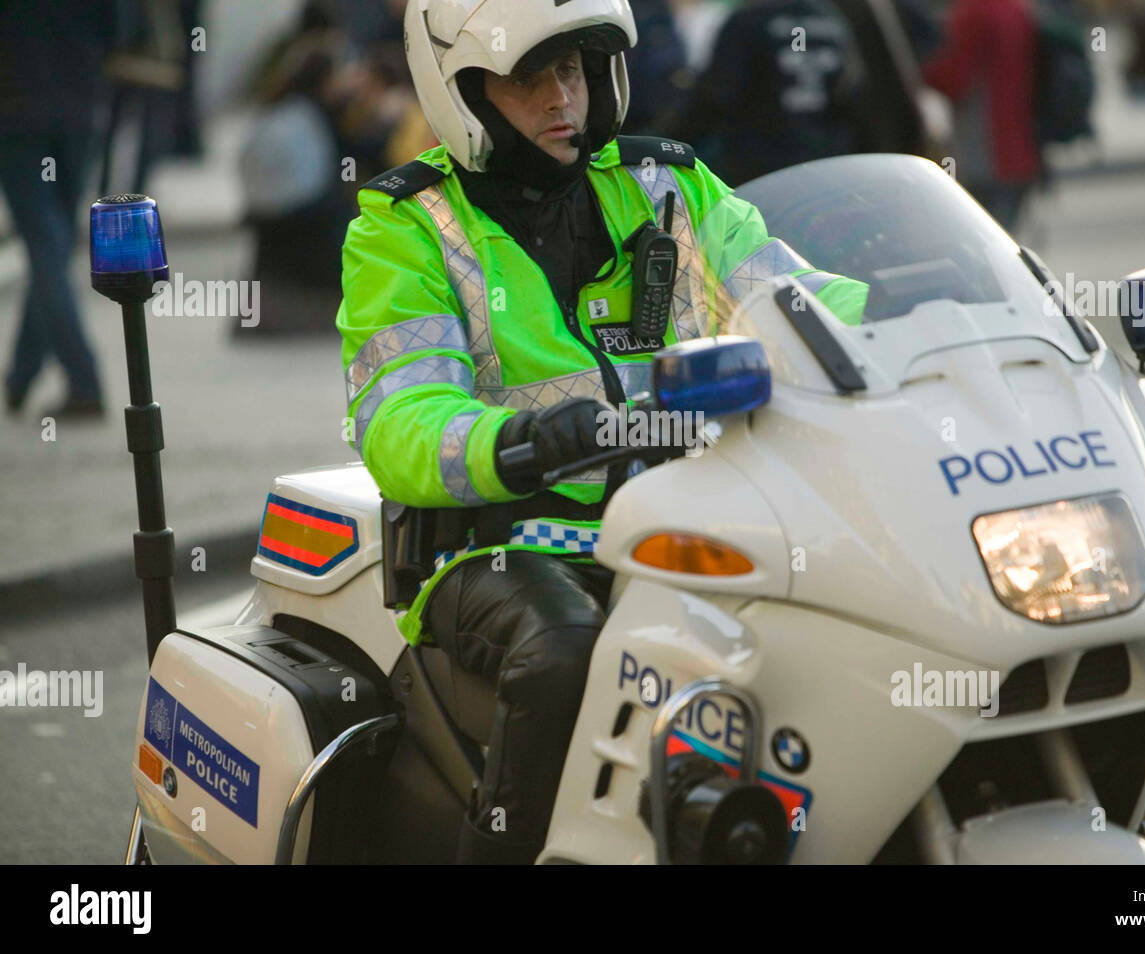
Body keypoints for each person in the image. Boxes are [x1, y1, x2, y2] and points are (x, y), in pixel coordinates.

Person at [337, 0, 867, 863]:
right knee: (567, 656)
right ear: (464, 89)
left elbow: (798, 301)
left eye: (575, 70)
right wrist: (518, 443)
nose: (562, 99)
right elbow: (399, 418)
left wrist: (924, 319)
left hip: (693, 527)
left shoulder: (666, 188)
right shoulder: (406, 228)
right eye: (528, 76)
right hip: (502, 549)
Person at [0, 1, 119, 418]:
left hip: (18, 112)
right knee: (54, 241)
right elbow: (120, 27)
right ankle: (22, 373)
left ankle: (84, 380)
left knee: (45, 242)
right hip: (79, 104)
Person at [669, 0, 866, 185]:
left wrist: (666, 141)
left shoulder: (749, 20)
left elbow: (715, 98)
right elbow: (852, 93)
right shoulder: (828, 17)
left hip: (760, 169)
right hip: (823, 163)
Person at [921, 0, 1041, 233]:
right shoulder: (1018, 8)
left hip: (984, 152)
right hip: (1023, 149)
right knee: (1005, 239)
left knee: (980, 242)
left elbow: (952, 79)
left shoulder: (974, 12)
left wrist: (921, 73)